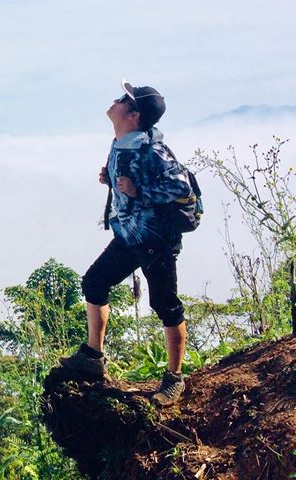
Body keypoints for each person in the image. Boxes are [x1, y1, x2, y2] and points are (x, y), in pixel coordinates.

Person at [60, 80, 194, 406]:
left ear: (133, 115)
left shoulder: (153, 151)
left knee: (165, 305)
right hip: (128, 236)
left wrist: (138, 192)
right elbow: (130, 182)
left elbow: (181, 188)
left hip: (156, 241)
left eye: (123, 99)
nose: (115, 101)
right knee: (94, 282)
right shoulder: (122, 142)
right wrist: (113, 183)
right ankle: (93, 357)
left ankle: (175, 379)